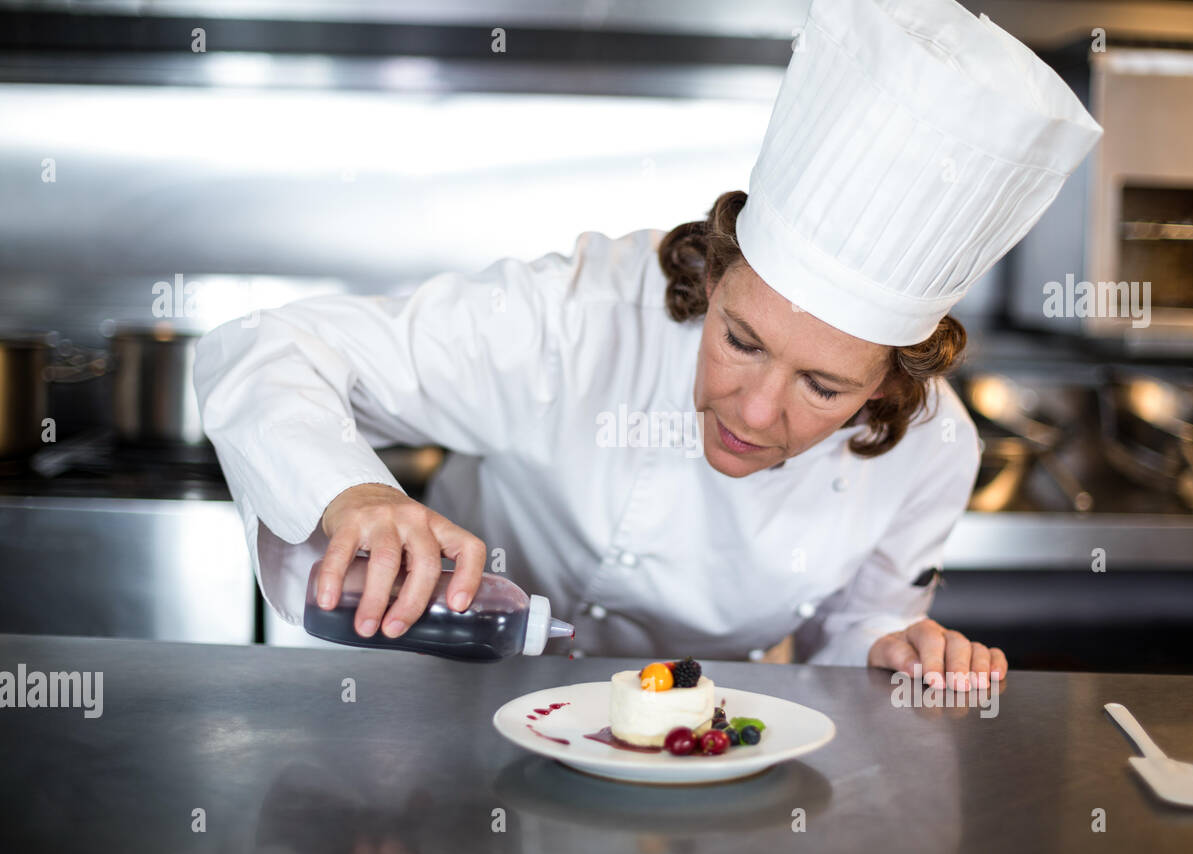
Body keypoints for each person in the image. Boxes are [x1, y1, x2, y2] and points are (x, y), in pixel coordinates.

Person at [194, 0, 1101, 690]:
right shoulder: (577, 320)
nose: (755, 411)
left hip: (706, 742)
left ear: (888, 387)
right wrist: (354, 495)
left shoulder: (936, 447)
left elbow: (860, 631)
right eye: (740, 340)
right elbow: (269, 349)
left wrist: (898, 649)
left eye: (822, 387)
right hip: (452, 700)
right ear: (710, 280)